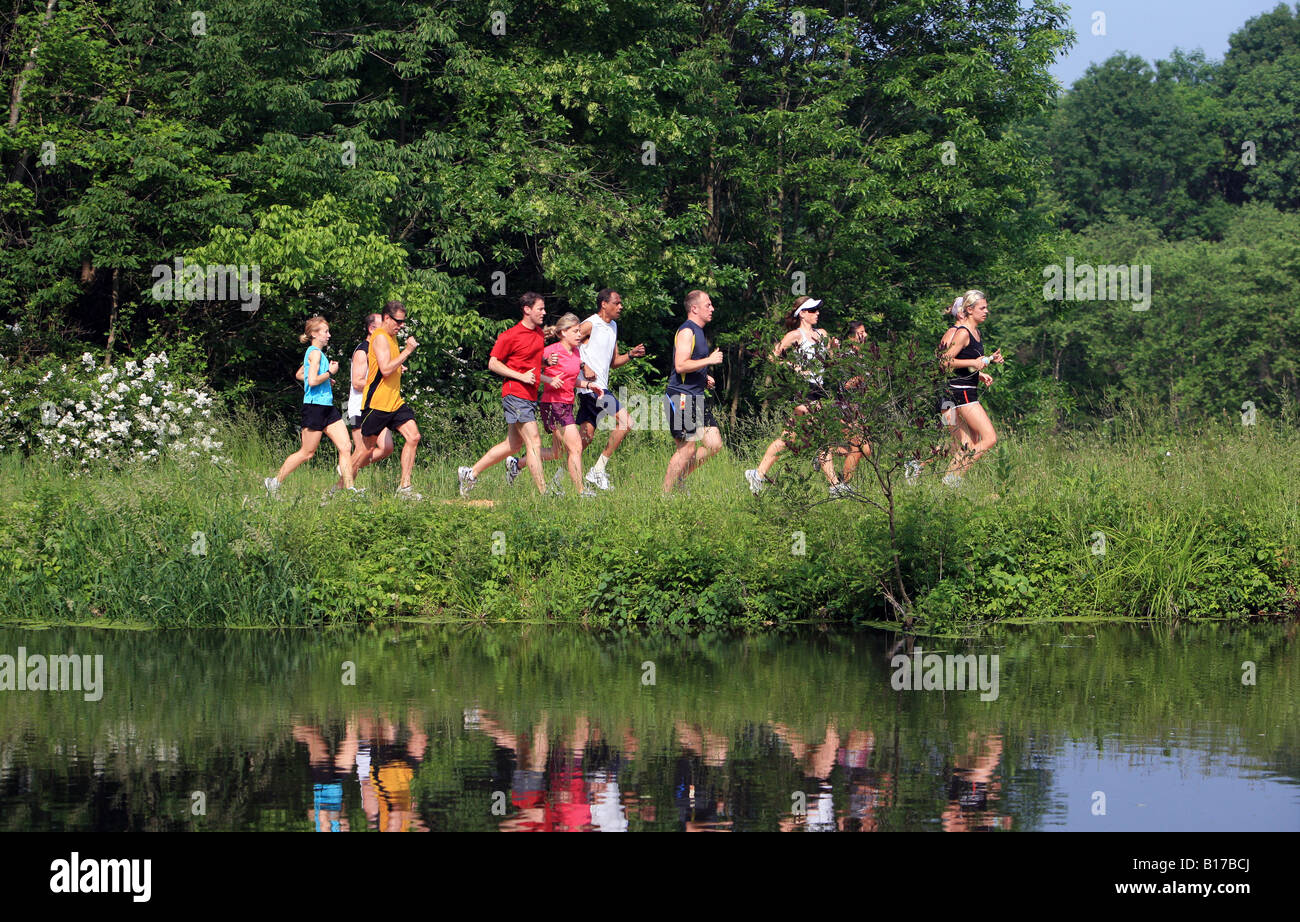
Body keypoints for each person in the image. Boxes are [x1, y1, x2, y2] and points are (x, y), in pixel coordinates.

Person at [459, 292, 562, 496]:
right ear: (527, 310)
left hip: (530, 396)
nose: (544, 312)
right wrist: (521, 377)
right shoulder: (510, 335)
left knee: (513, 445)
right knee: (534, 441)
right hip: (515, 393)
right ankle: (545, 493)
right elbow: (493, 363)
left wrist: (545, 363)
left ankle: (470, 473)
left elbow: (528, 361)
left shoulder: (539, 334)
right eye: (540, 308)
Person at [744, 296, 847, 497]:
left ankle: (758, 474)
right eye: (813, 310)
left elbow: (830, 360)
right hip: (803, 391)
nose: (817, 313)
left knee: (788, 438)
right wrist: (794, 366)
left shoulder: (822, 333)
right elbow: (773, 356)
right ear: (802, 313)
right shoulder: (794, 335)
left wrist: (834, 348)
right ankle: (835, 485)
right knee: (822, 435)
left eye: (818, 310)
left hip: (819, 389)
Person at [265, 316, 357, 497]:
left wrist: (325, 379)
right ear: (314, 334)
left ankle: (349, 491)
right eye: (325, 331)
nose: (329, 335)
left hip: (328, 408)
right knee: (307, 453)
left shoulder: (316, 354)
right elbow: (312, 380)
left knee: (345, 446)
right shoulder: (314, 353)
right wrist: (329, 372)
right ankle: (274, 482)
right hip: (314, 408)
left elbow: (301, 374)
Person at [573, 288, 646, 491]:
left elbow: (614, 362)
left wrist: (630, 354)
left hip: (598, 388)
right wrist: (582, 366)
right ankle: (597, 471)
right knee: (626, 421)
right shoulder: (590, 324)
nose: (621, 306)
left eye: (621, 303)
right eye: (617, 302)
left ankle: (555, 479)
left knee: (582, 441)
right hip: (592, 390)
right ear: (604, 304)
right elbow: (567, 346)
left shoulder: (613, 326)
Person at [351, 299, 421, 499]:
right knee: (366, 450)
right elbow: (385, 369)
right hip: (377, 403)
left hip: (394, 401)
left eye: (403, 322)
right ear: (387, 318)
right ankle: (340, 487)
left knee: (413, 437)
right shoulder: (381, 337)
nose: (401, 326)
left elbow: (391, 366)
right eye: (398, 321)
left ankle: (404, 488)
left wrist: (400, 366)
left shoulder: (392, 336)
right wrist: (407, 352)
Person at [663, 290, 725, 493]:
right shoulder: (687, 331)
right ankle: (665, 495)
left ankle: (680, 478)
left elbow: (690, 365)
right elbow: (680, 365)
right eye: (708, 305)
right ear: (694, 308)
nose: (712, 308)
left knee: (714, 444)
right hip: (680, 396)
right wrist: (709, 361)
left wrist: (703, 376)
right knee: (687, 447)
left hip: (695, 396)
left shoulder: (699, 331)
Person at [940, 290, 1002, 486]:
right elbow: (944, 362)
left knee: (967, 444)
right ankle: (952, 479)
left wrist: (987, 362)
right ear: (969, 309)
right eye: (982, 308)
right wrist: (974, 363)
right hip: (960, 392)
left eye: (986, 307)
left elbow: (968, 362)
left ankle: (947, 484)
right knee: (989, 438)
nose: (986, 311)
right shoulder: (963, 332)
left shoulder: (976, 332)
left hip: (969, 388)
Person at [538, 313, 597, 497]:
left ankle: (518, 463)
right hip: (553, 404)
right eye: (575, 331)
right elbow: (528, 371)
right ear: (563, 332)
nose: (580, 335)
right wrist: (548, 378)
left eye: (580, 331)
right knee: (576, 447)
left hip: (566, 404)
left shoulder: (576, 352)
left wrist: (588, 385)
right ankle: (581, 492)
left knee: (557, 453)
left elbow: (570, 381)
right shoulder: (551, 351)